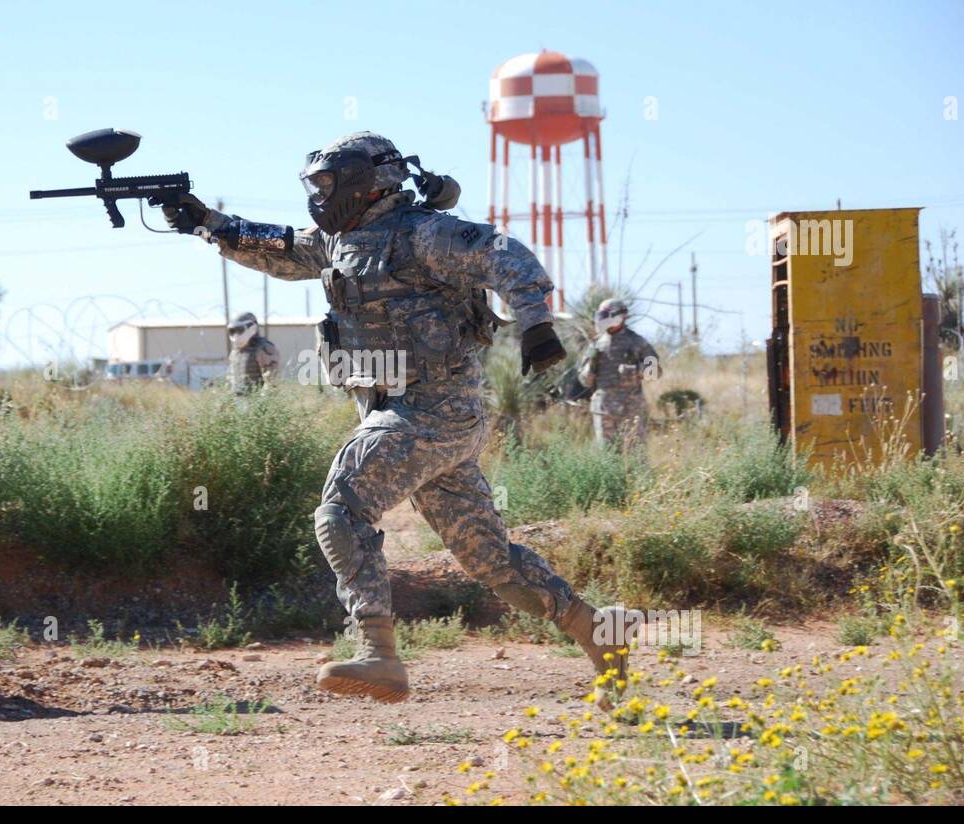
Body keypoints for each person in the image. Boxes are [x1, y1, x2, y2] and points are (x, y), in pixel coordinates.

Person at [164, 131, 639, 705]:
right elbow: (281, 248)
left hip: (430, 410)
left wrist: (536, 321)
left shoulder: (422, 231)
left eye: (328, 181)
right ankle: (600, 631)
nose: (321, 193)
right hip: (422, 418)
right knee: (492, 562)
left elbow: (503, 252)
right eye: (316, 184)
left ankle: (379, 656)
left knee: (341, 508)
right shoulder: (338, 242)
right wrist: (205, 221)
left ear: (368, 180)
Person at [579, 298, 661, 454]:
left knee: (635, 453)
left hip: (631, 408)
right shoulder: (596, 344)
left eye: (605, 315)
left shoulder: (636, 342)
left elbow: (656, 371)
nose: (601, 319)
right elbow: (584, 381)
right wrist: (589, 369)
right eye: (600, 315)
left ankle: (636, 479)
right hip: (604, 409)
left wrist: (636, 370)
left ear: (619, 316)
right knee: (606, 456)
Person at [226, 311, 280, 395]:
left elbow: (271, 379)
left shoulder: (263, 348)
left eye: (239, 330)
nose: (235, 335)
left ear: (252, 328)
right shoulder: (235, 352)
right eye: (232, 331)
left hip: (255, 400)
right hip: (237, 400)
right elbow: (230, 377)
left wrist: (262, 401)